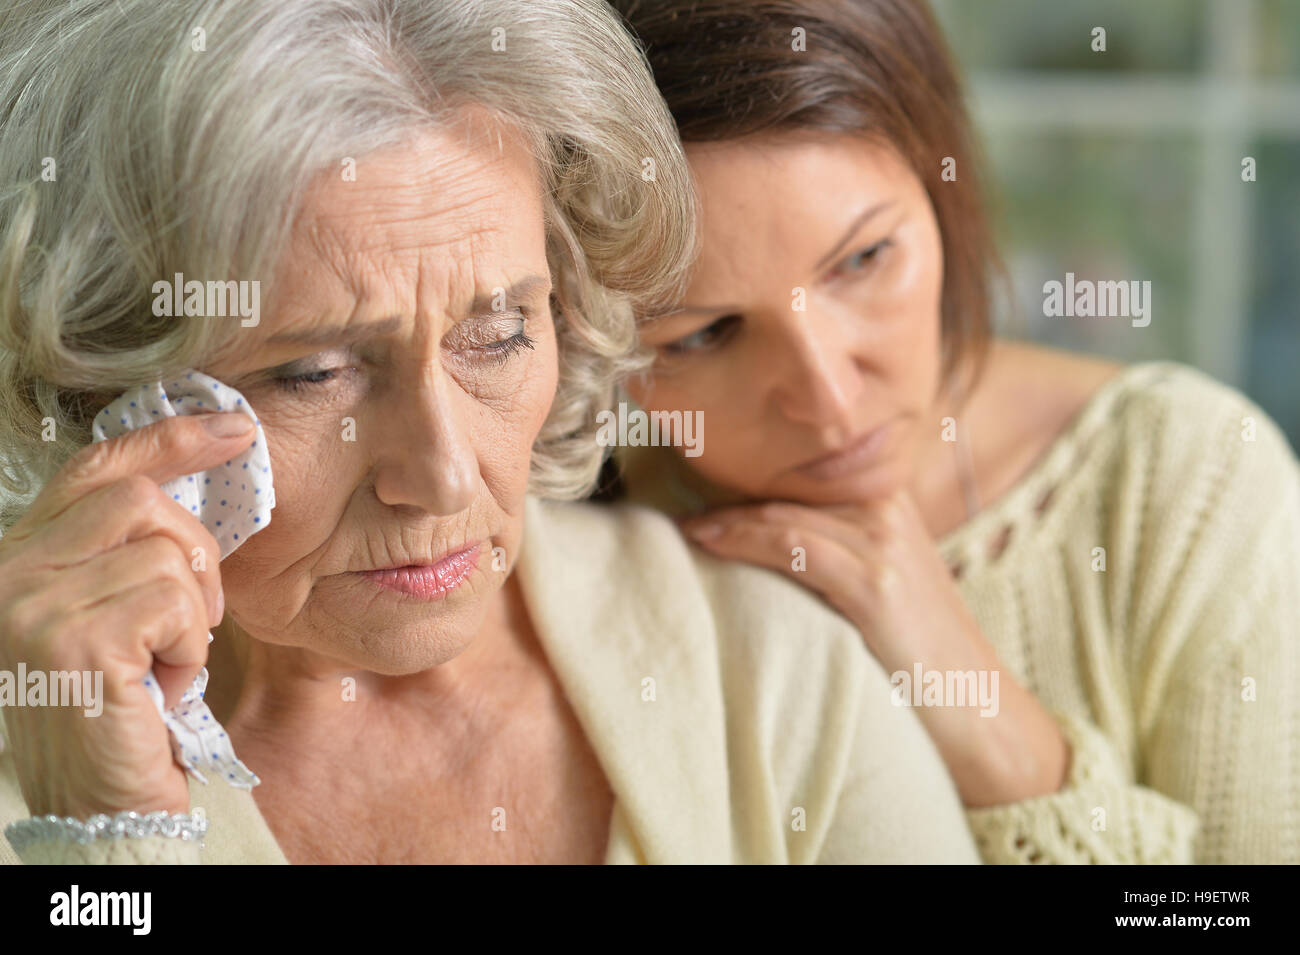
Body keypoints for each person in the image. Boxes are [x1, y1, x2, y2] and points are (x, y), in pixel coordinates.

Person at [0, 0, 982, 865]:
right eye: (312, 373)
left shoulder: (765, 674)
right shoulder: (36, 738)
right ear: (99, 383)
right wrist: (105, 833)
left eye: (500, 334)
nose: (442, 475)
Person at [609, 0, 1300, 863]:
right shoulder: (576, 542)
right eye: (704, 334)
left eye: (863, 260)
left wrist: (994, 732)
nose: (827, 399)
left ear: (946, 189)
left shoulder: (1192, 483)